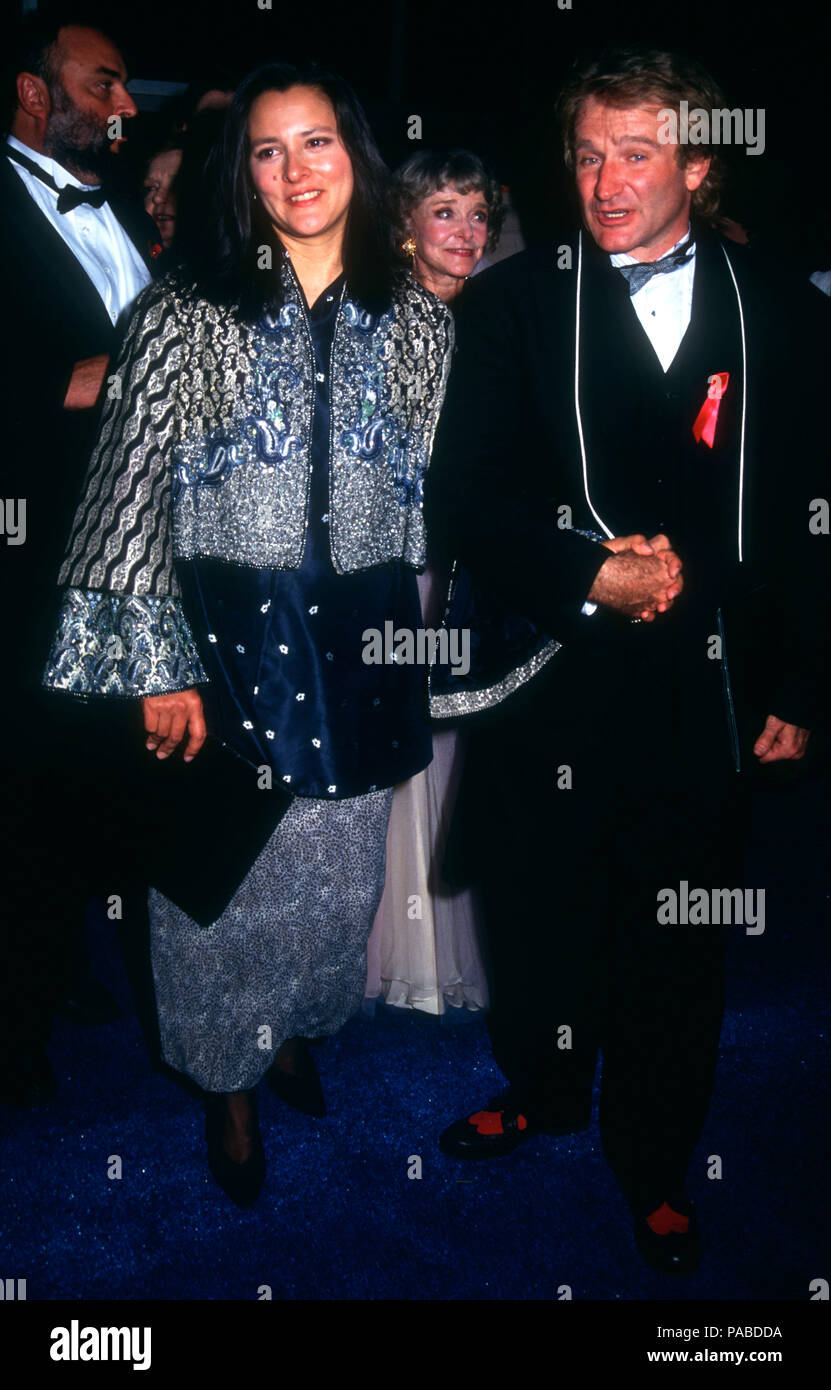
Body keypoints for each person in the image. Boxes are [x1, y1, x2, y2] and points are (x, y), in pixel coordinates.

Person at [427, 45, 828, 1274]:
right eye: (586, 154)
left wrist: (805, 688)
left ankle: (654, 1161)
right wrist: (585, 567)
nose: (603, 181)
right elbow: (462, 498)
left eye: (635, 153)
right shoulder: (511, 303)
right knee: (539, 915)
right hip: (551, 668)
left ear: (697, 165)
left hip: (707, 685)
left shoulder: (789, 311)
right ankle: (543, 1087)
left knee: (676, 933)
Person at [42, 60, 453, 1206]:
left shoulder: (416, 320)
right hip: (223, 648)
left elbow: (427, 499)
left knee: (329, 887)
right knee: (213, 889)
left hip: (361, 651)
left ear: (355, 155)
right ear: (245, 172)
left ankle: (290, 1030)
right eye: (268, 150)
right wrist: (156, 668)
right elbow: (123, 495)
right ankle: (226, 1085)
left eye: (315, 142)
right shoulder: (183, 308)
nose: (294, 169)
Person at [0, 14, 167, 1107]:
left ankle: (52, 968)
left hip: (119, 555)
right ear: (31, 92)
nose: (125, 104)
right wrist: (123, 373)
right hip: (23, 558)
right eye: (104, 81)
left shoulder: (115, 211)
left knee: (80, 783)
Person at [367, 150, 503, 1014]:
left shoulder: (495, 315)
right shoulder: (386, 319)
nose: (466, 231)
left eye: (479, 213)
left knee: (461, 750)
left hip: (476, 567)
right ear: (407, 225)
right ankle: (403, 955)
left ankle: (456, 945)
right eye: (445, 211)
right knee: (408, 748)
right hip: (406, 567)